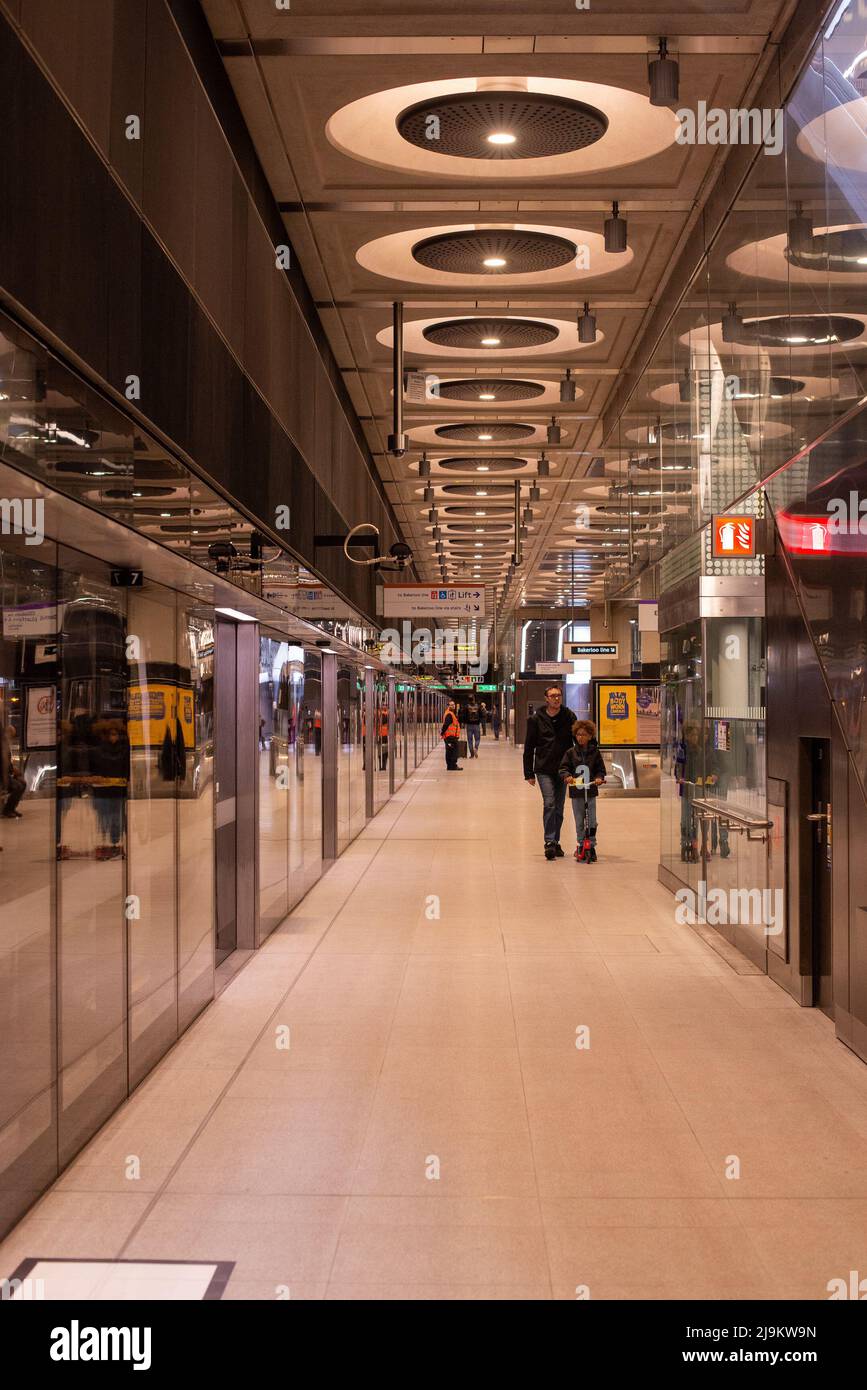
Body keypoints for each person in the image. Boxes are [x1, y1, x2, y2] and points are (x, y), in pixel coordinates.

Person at [523, 685, 576, 859]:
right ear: (546, 698)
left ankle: (555, 842)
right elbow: (529, 747)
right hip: (543, 768)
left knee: (559, 808)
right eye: (552, 696)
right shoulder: (536, 719)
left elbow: (579, 739)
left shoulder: (569, 716)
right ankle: (549, 842)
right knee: (550, 803)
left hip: (564, 769)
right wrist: (528, 773)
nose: (556, 698)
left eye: (558, 695)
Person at [559, 719, 606, 863]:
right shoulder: (571, 753)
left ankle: (591, 845)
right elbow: (563, 768)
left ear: (590, 736)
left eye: (584, 735)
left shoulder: (595, 753)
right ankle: (581, 844)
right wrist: (567, 777)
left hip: (590, 790)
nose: (581, 737)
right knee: (579, 819)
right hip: (577, 791)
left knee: (592, 820)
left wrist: (599, 777)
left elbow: (600, 769)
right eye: (578, 735)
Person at [1, 717, 26, 823]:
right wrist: (11, 771)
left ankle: (11, 808)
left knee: (22, 783)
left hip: (5, 774)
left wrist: (12, 770)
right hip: (2, 776)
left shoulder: (5, 745)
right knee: (18, 786)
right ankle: (7, 810)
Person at [440, 699, 463, 771]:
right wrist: (442, 732)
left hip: (450, 736)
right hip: (450, 736)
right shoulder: (449, 714)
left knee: (449, 751)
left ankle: (450, 766)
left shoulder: (450, 713)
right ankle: (453, 766)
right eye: (451, 705)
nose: (453, 706)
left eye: (454, 705)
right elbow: (446, 724)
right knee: (454, 751)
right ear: (448, 706)